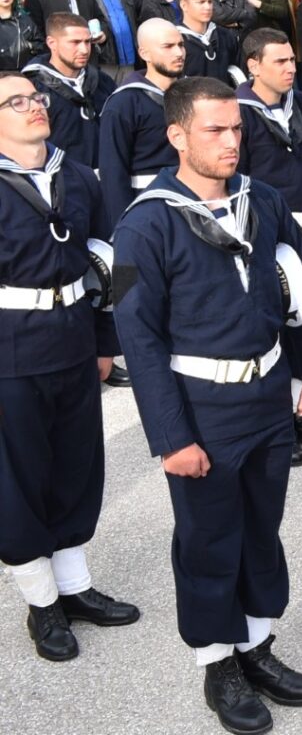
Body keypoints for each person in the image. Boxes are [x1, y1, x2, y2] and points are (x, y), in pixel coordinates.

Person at [113, 77, 302, 735]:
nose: (232, 141)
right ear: (177, 136)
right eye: (215, 130)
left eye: (236, 128)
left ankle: (256, 645)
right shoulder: (143, 223)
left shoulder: (264, 199)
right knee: (210, 540)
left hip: (266, 393)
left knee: (262, 529)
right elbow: (137, 334)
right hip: (199, 403)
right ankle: (218, 663)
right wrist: (170, 437)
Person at [0, 70, 140, 662]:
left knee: (78, 468)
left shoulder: (77, 175)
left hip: (75, 339)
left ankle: (76, 586)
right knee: (19, 477)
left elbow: (115, 263)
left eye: (36, 97)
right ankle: (41, 603)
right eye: (16, 101)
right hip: (10, 350)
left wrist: (106, 338)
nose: (34, 107)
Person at [234, 28, 302, 465]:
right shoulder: (240, 113)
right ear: (253, 66)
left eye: (291, 60)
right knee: (271, 325)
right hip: (262, 236)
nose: (290, 67)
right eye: (279, 61)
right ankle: (277, 421)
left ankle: (301, 412)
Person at [98, 18, 186, 223]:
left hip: (195, 201)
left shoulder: (193, 93)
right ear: (144, 53)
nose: (179, 53)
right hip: (149, 205)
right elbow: (113, 171)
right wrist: (125, 223)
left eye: (181, 45)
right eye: (168, 46)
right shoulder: (123, 103)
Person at [24, 12, 115, 168]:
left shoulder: (102, 81)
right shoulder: (31, 88)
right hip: (62, 180)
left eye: (87, 42)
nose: (85, 50)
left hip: (104, 176)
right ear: (52, 43)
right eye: (75, 42)